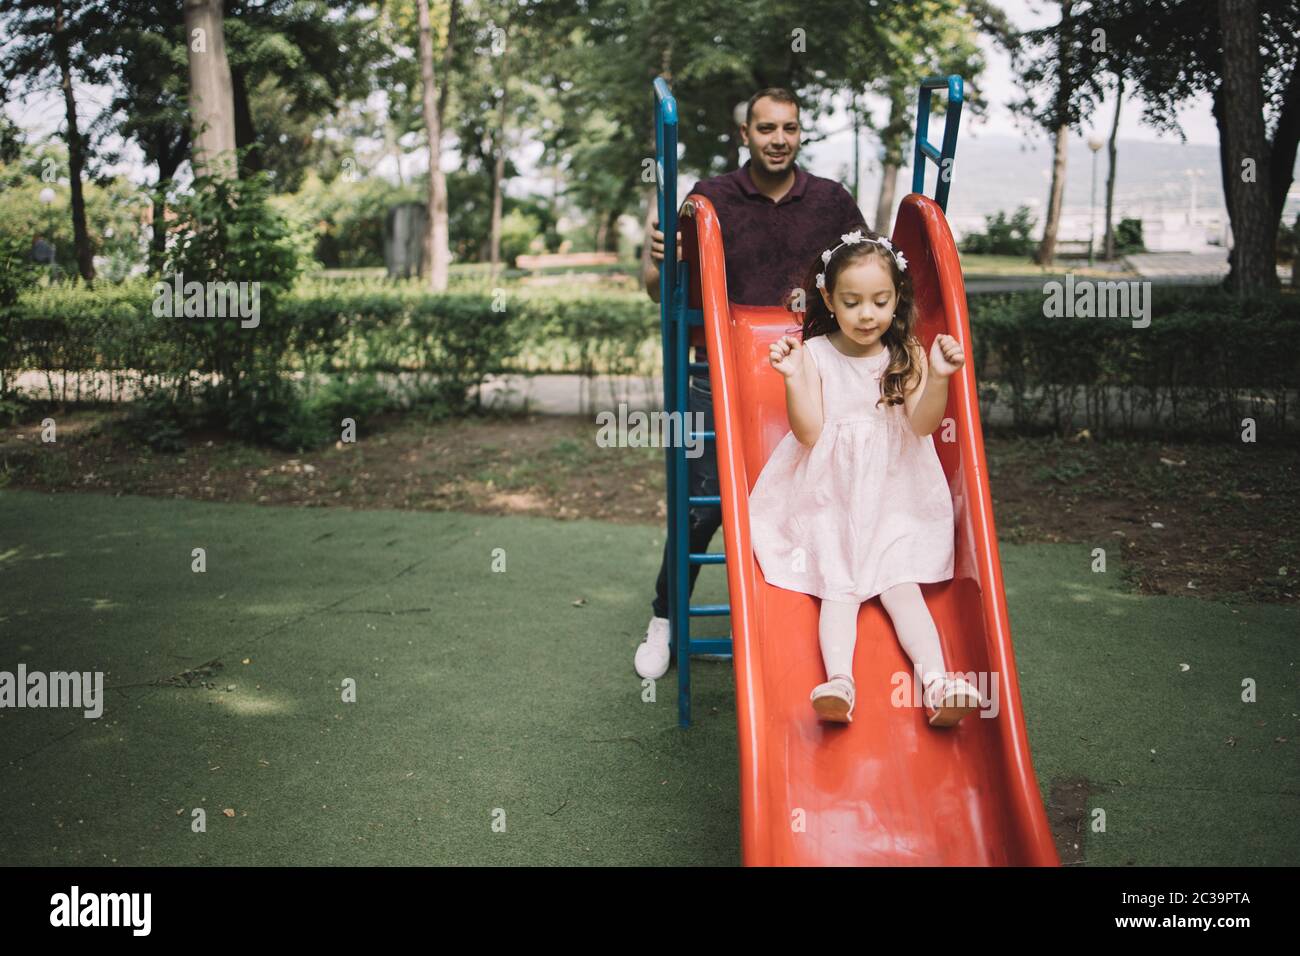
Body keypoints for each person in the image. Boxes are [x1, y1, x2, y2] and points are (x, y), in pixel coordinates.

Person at [635, 87, 870, 680]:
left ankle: (796, 626)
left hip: (807, 376)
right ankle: (665, 618)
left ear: (800, 132)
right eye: (766, 128)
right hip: (717, 376)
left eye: (789, 128)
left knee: (813, 501)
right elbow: (660, 292)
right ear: (746, 135)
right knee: (701, 507)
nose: (778, 140)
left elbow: (866, 277)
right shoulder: (710, 199)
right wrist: (656, 261)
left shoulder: (831, 201)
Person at [747, 228, 984, 727]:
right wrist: (792, 379)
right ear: (829, 298)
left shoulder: (907, 353)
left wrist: (939, 378)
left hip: (894, 496)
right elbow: (809, 432)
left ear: (898, 298)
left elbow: (923, 425)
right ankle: (840, 682)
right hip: (832, 496)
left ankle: (939, 684)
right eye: (852, 302)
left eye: (880, 301)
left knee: (902, 586)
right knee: (840, 587)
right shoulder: (814, 354)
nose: (867, 314)